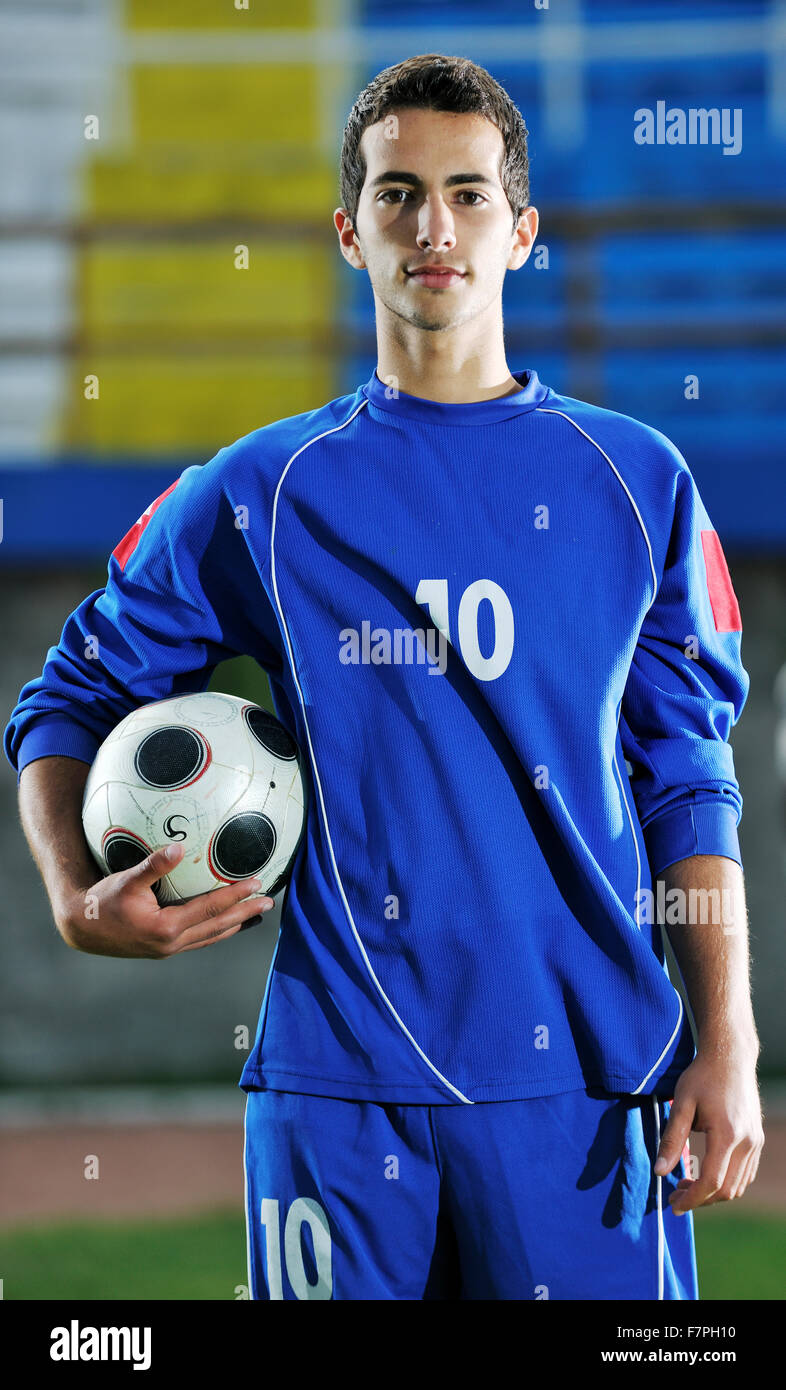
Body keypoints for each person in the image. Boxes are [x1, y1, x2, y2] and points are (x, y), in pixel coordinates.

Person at [4, 54, 764, 1301]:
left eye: (468, 196)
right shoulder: (260, 491)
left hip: (588, 1088)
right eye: (398, 193)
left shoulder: (638, 484)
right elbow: (68, 695)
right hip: (337, 1096)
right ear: (349, 232)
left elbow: (690, 780)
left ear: (522, 232)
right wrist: (73, 894)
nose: (433, 226)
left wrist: (727, 1038)